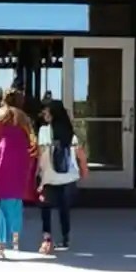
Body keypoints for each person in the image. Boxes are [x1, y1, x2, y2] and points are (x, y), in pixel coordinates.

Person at [0, 86, 38, 260]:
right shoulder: (24, 119)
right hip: (19, 163)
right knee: (15, 201)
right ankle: (16, 236)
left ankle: (0, 244)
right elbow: (33, 143)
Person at [36, 100, 89, 253]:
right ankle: (65, 238)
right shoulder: (70, 132)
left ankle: (47, 239)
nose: (44, 115)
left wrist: (37, 174)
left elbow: (41, 155)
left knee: (45, 208)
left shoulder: (44, 131)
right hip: (69, 177)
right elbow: (80, 154)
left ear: (53, 114)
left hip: (49, 177)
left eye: (46, 113)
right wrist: (84, 170)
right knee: (64, 209)